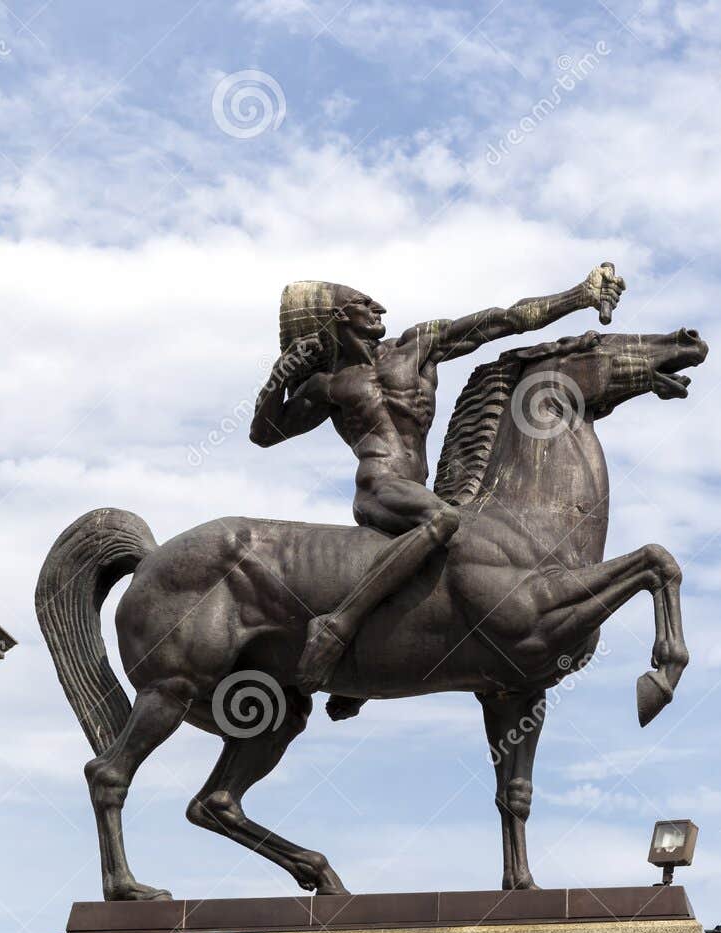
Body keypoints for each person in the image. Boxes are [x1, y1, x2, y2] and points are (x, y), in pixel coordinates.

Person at [251, 264, 625, 709]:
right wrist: (277, 381)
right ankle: (339, 627)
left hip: (422, 490)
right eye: (360, 303)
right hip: (381, 488)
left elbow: (503, 319)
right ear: (334, 319)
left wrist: (579, 294)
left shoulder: (417, 346)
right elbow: (265, 432)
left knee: (469, 541)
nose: (377, 307)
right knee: (444, 519)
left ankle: (371, 666)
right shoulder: (328, 384)